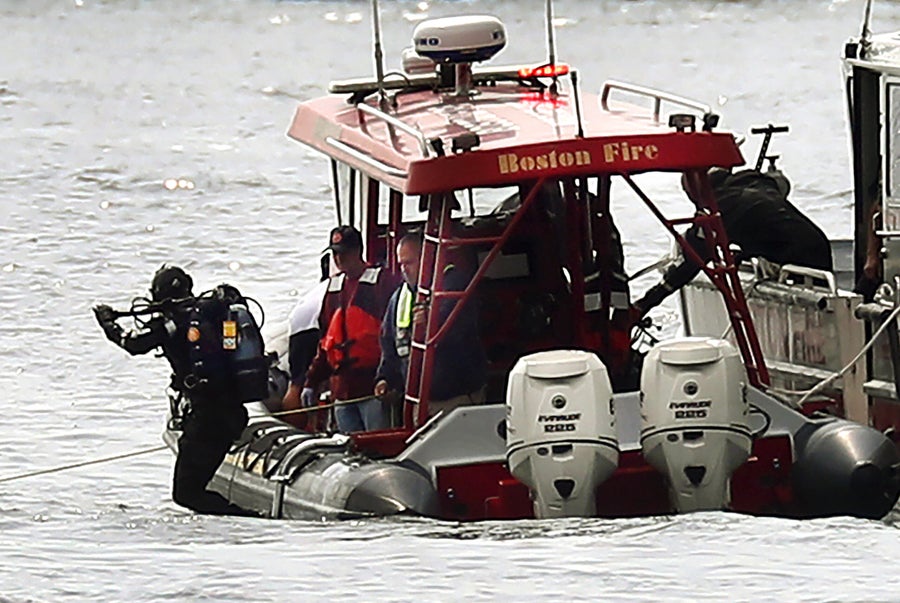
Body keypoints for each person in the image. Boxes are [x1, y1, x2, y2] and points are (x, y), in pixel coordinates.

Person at [93, 265, 258, 517]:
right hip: (231, 411)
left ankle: (252, 519)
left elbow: (133, 343)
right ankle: (244, 518)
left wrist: (108, 325)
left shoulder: (168, 324)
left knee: (187, 494)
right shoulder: (212, 312)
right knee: (191, 489)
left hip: (207, 417)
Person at [633, 168, 834, 316]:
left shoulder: (717, 210)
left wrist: (646, 303)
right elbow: (765, 214)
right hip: (817, 243)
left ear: (697, 192)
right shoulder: (754, 180)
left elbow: (691, 262)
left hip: (796, 258)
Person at [374, 233, 487, 418]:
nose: (404, 270)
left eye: (409, 263)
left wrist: (431, 322)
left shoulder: (455, 286)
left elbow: (459, 332)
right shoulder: (398, 298)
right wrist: (385, 378)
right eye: (401, 264)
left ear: (428, 259)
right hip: (417, 401)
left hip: (456, 399)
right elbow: (389, 343)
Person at [303, 226, 397, 433]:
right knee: (349, 448)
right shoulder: (334, 288)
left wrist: (390, 378)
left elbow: (393, 336)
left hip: (372, 389)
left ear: (357, 251)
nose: (338, 258)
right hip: (342, 392)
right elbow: (326, 340)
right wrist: (312, 381)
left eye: (343, 252)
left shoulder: (381, 282)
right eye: (334, 252)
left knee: (377, 446)